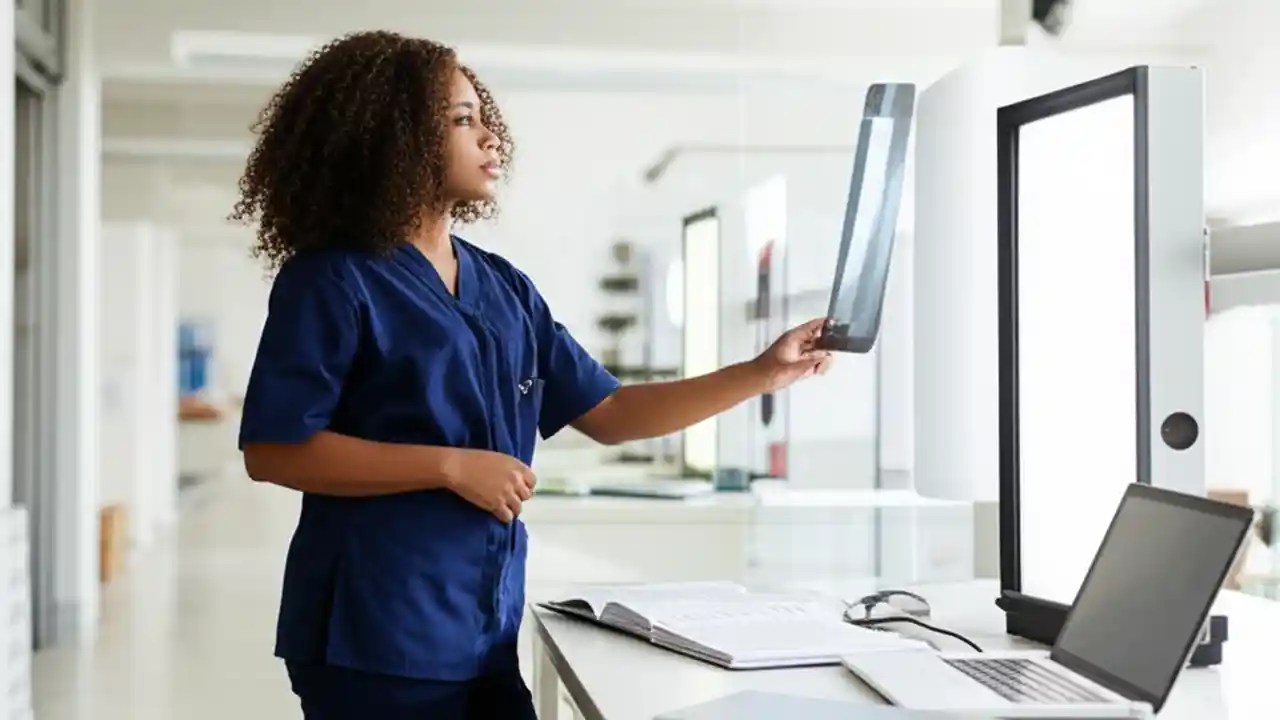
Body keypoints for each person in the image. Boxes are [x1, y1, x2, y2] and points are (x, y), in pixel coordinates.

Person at [232, 30, 833, 720]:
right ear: (391, 137)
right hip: (376, 636)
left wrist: (760, 373)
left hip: (483, 628)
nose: (491, 139)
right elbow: (273, 450)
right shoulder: (333, 278)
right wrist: (451, 467)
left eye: (484, 117)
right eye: (462, 120)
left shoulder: (503, 287)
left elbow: (609, 413)